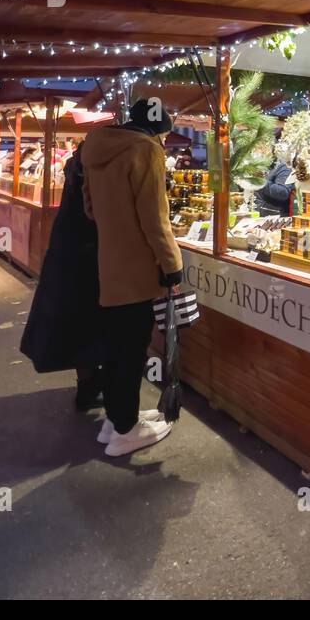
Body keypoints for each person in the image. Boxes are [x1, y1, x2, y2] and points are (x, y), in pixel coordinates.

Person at [80, 98, 182, 456]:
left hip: (110, 265)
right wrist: (172, 264)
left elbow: (89, 208)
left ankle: (115, 419)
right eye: (165, 136)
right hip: (138, 269)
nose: (165, 144)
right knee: (132, 349)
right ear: (157, 129)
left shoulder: (97, 149)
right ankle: (125, 430)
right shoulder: (146, 151)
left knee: (116, 346)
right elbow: (155, 218)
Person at [19, 143, 113, 412]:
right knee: (93, 326)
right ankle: (96, 386)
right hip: (86, 260)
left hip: (69, 260)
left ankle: (88, 385)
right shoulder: (94, 180)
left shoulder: (76, 173)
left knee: (79, 327)